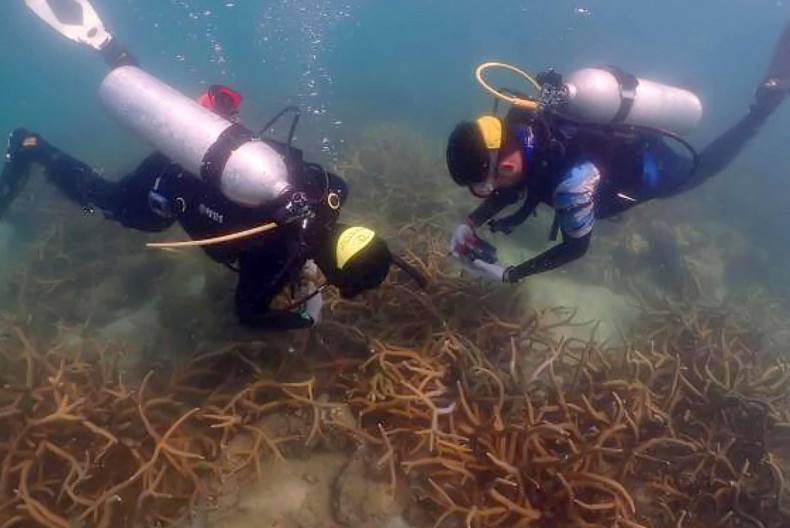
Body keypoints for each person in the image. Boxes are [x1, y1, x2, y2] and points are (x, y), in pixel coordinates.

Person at [0, 84, 425, 330]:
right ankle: (32, 146)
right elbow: (247, 314)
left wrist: (305, 265)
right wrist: (303, 321)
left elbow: (322, 192)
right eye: (346, 286)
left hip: (212, 149)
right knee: (109, 202)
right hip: (169, 178)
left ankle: (214, 111)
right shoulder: (273, 259)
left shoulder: (329, 195)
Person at [446, 23, 790, 284]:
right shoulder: (523, 126)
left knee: (703, 168)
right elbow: (515, 186)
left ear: (505, 165)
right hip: (616, 139)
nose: (490, 191)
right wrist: (469, 223)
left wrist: (510, 273)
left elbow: (575, 248)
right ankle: (678, 99)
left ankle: (761, 111)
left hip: (651, 170)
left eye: (485, 185)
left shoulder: (572, 187)